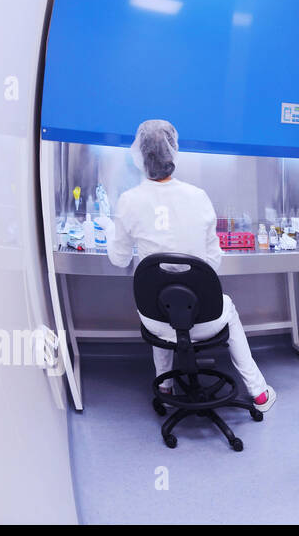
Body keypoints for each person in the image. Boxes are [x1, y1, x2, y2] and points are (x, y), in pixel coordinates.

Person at [107, 120, 276, 413]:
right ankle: (259, 393)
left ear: (141, 156)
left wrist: (113, 229)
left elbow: (119, 259)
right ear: (174, 153)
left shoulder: (129, 201)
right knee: (226, 307)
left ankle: (164, 384)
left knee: (160, 301)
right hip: (205, 319)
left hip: (156, 320)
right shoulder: (198, 197)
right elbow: (213, 263)